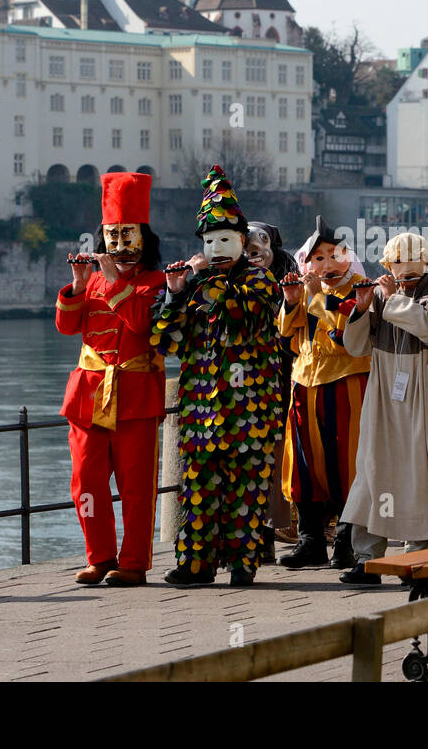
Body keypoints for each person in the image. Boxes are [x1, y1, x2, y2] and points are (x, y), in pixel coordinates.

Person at [151, 165, 286, 587]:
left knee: (247, 489)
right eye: (210, 242)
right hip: (201, 407)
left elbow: (241, 310)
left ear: (243, 242)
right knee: (199, 491)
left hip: (251, 406)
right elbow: (166, 342)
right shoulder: (192, 289)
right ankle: (196, 563)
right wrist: (174, 294)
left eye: (225, 240)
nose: (217, 249)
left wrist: (200, 281)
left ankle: (243, 564)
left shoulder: (261, 280)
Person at [337, 232, 428, 585]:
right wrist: (363, 307)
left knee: (422, 472)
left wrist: (393, 298)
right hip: (385, 389)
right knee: (373, 468)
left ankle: (418, 558)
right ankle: (368, 559)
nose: (402, 272)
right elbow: (355, 347)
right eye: (396, 264)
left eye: (409, 264)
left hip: (426, 389)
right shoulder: (380, 294)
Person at [56, 172, 166, 587]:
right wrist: (77, 287)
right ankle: (99, 556)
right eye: (112, 236)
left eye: (128, 235)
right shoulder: (94, 277)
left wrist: (118, 284)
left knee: (137, 485)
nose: (120, 245)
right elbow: (67, 328)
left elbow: (140, 326)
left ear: (143, 237)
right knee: (85, 480)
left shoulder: (158, 282)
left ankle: (134, 561)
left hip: (135, 392)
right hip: (89, 391)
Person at [275, 216, 373, 570]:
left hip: (347, 384)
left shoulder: (361, 288)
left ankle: (346, 542)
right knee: (303, 465)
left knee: (347, 465)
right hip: (305, 385)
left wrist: (316, 297)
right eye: (319, 258)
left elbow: (348, 334)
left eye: (334, 255)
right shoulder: (305, 290)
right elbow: (286, 334)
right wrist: (289, 300)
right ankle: (310, 540)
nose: (327, 265)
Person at [246, 221, 299, 558]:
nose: (253, 257)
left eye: (259, 250)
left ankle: (268, 533)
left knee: (276, 457)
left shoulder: (288, 278)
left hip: (280, 379)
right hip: (246, 378)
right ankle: (249, 536)